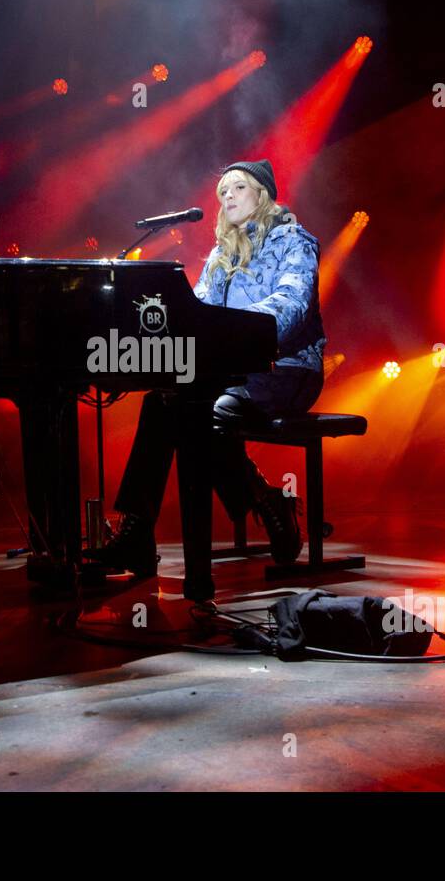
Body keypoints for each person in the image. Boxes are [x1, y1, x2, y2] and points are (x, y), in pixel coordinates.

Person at [86, 158, 326, 576]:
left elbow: (292, 305)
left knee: (203, 416)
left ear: (262, 193)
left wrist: (235, 334)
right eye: (222, 192)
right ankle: (138, 535)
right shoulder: (222, 253)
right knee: (163, 403)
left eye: (237, 188)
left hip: (286, 369)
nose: (227, 196)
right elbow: (198, 311)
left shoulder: (294, 242)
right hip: (233, 369)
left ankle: (265, 503)